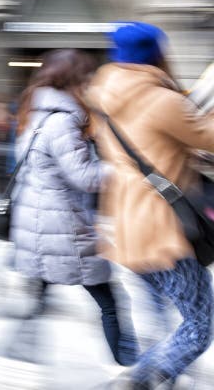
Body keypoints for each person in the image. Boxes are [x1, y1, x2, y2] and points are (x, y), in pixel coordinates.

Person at [89, 22, 214, 388]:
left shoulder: (103, 96)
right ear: (157, 54)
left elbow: (155, 145)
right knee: (198, 327)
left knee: (178, 316)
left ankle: (145, 378)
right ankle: (137, 381)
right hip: (165, 228)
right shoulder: (161, 100)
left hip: (126, 225)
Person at [10, 49, 138, 368]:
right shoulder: (62, 121)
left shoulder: (34, 113)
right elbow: (84, 176)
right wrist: (122, 169)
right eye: (86, 78)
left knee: (38, 302)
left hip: (36, 225)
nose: (90, 85)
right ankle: (131, 369)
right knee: (110, 302)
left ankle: (15, 359)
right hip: (63, 229)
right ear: (74, 81)